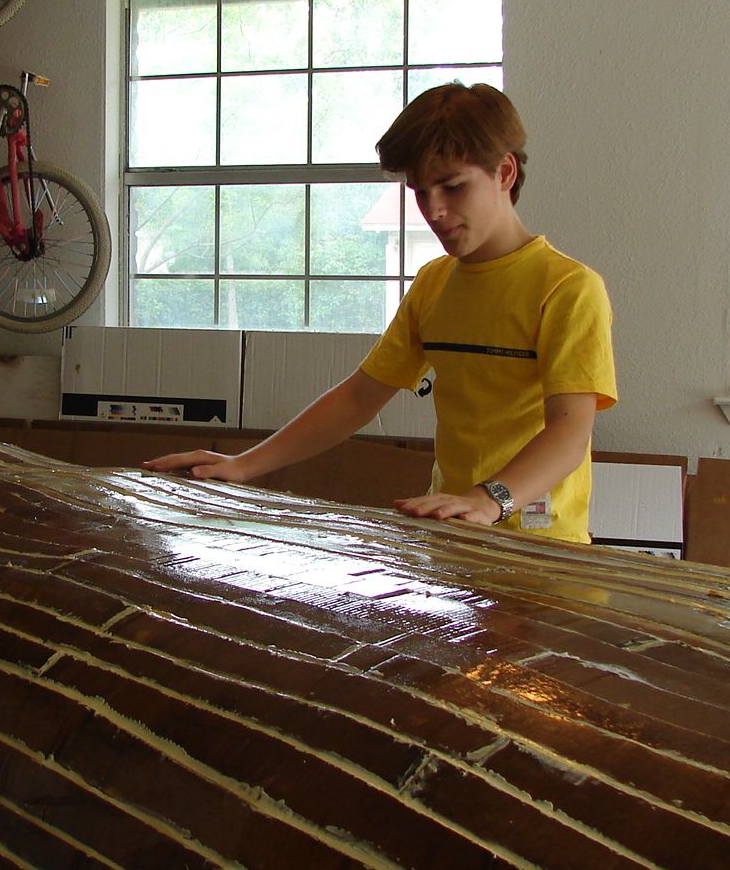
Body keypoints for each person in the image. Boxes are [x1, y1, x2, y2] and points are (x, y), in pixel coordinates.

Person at [142, 82, 616, 543]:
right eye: (420, 191)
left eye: (452, 187)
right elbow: (358, 398)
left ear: (505, 173)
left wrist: (488, 500)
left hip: (542, 543)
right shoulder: (434, 283)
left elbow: (570, 431)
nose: (435, 211)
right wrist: (243, 464)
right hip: (454, 532)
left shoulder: (567, 288)